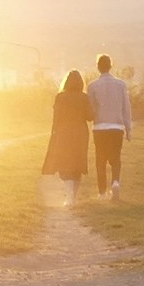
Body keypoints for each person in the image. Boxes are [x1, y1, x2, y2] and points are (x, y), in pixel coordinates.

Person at [87, 54, 133, 198]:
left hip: (100, 127)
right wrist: (128, 129)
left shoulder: (92, 86)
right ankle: (115, 183)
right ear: (111, 66)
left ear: (98, 67)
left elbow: (90, 109)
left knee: (100, 159)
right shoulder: (121, 85)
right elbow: (126, 107)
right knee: (116, 157)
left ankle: (102, 192)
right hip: (116, 127)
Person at [42, 69, 91, 199]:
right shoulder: (84, 97)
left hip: (64, 133)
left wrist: (54, 132)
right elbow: (90, 116)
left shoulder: (60, 97)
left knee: (65, 164)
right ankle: (72, 197)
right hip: (80, 134)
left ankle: (69, 196)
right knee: (77, 164)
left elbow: (56, 117)